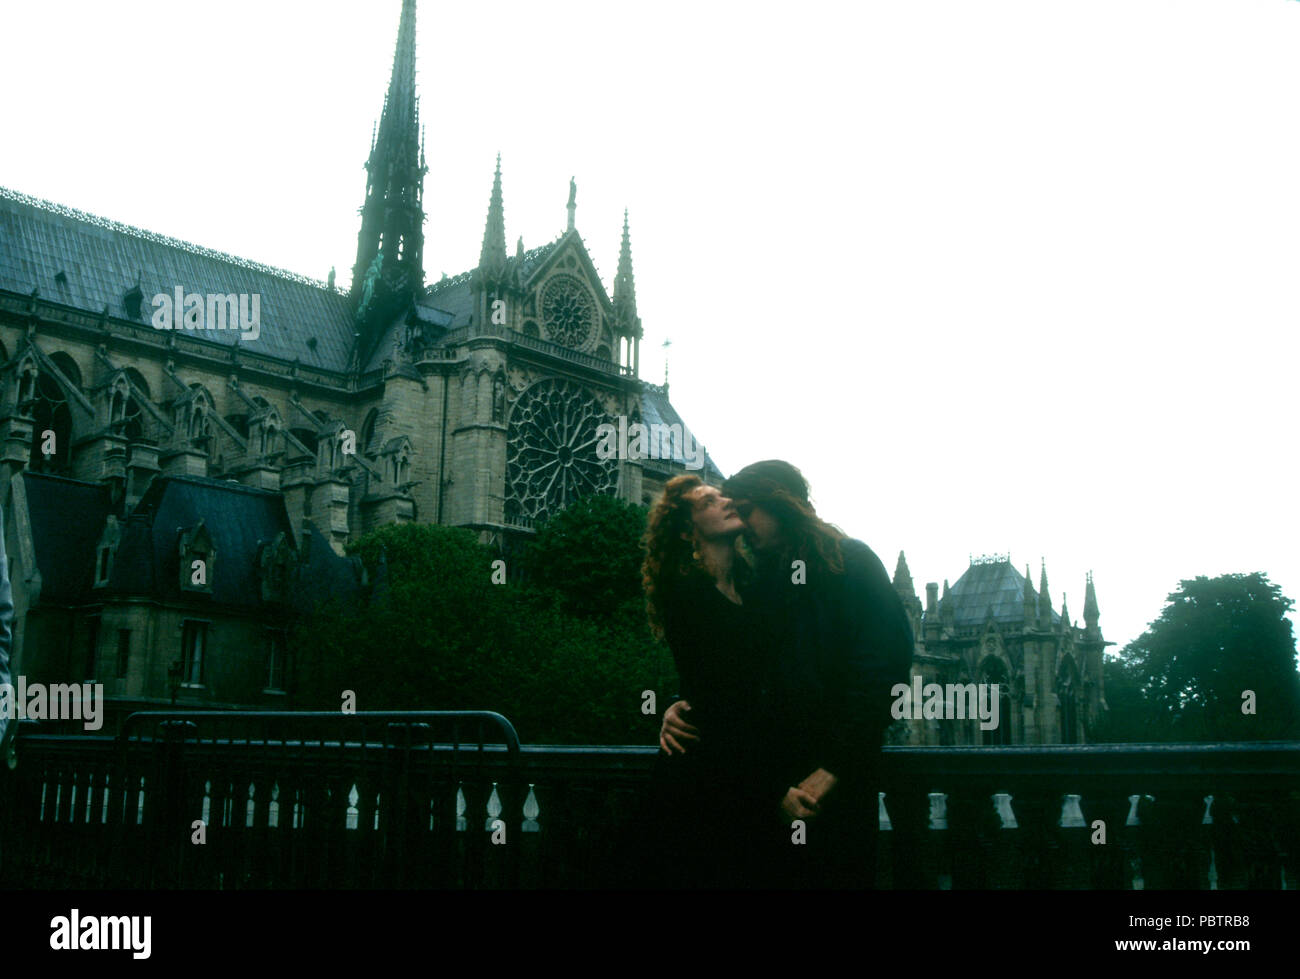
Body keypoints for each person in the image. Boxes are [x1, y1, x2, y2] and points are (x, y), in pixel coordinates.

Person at [660, 460, 914, 888]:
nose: (741, 521)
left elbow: (884, 677)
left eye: (748, 509)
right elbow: (731, 672)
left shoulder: (851, 561)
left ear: (783, 507)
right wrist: (678, 705)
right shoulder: (763, 579)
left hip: (833, 789)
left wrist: (831, 770)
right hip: (775, 791)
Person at [620, 474, 775, 887]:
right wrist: (676, 703)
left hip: (734, 766)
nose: (726, 501)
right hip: (705, 774)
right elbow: (720, 685)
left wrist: (676, 701)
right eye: (709, 500)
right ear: (689, 530)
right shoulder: (685, 594)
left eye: (723, 495)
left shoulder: (752, 587)